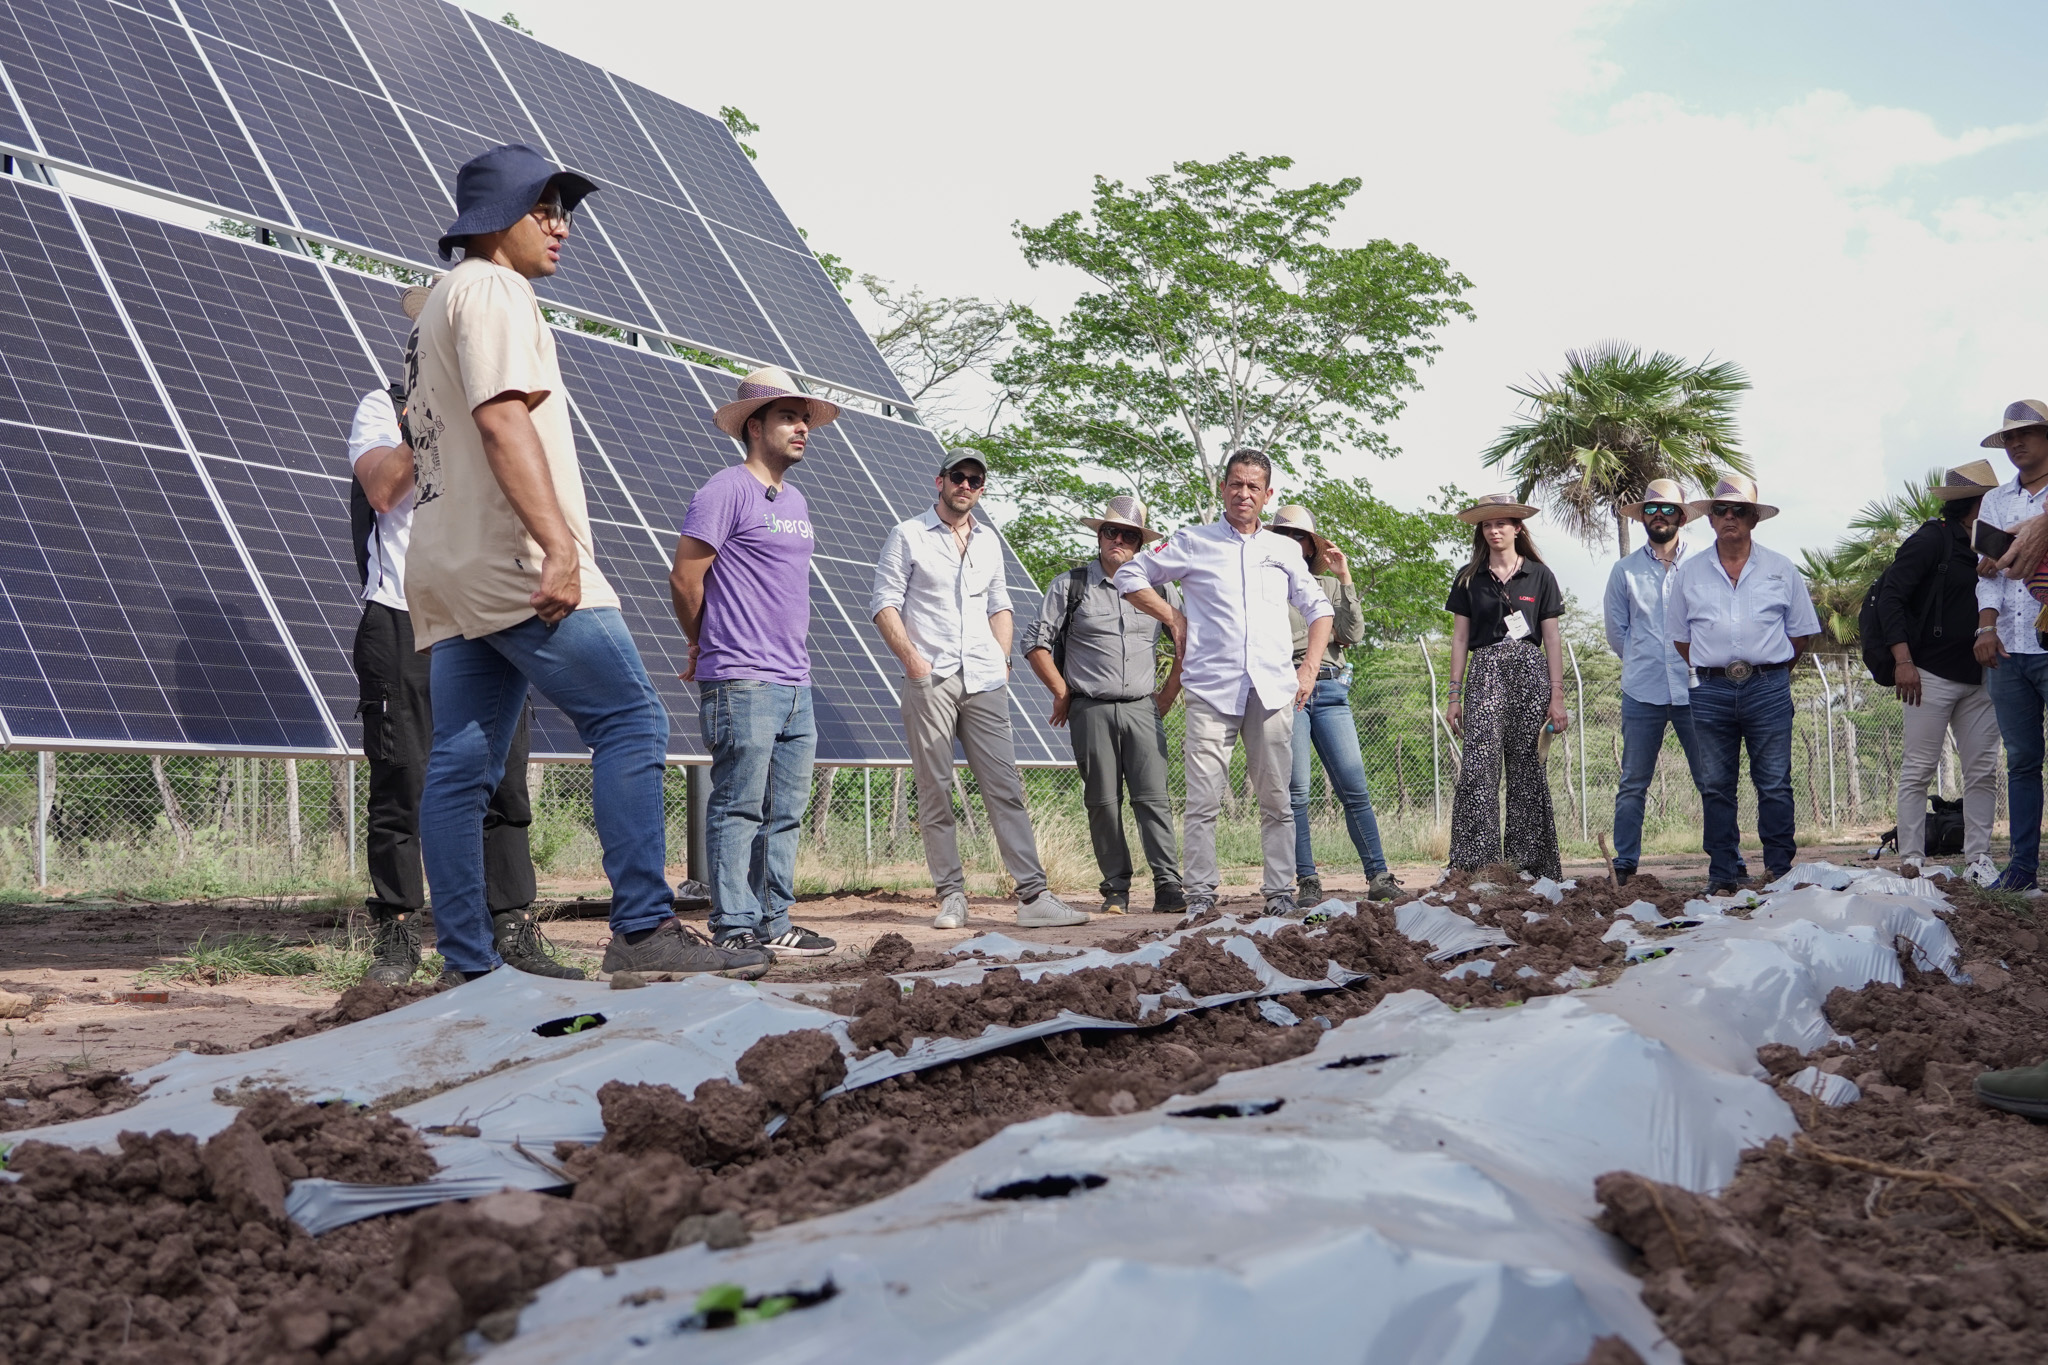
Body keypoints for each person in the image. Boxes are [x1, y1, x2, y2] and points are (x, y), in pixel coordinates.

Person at [409, 143, 769, 983]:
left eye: (565, 210)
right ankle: (642, 930)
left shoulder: (435, 305)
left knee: (462, 762)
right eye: (546, 208)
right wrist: (561, 544)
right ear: (498, 219)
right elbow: (503, 422)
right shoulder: (498, 289)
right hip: (513, 555)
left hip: (445, 563)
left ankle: (467, 961)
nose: (562, 226)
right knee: (631, 720)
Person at [347, 283, 565, 984]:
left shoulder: (501, 407)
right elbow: (383, 489)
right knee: (404, 776)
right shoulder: (384, 406)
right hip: (405, 612)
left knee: (503, 781)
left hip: (489, 612)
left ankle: (512, 928)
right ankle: (399, 930)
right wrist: (427, 425)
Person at [869, 450, 1089, 931]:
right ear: (940, 481)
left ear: (982, 489)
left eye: (975, 480)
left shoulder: (989, 540)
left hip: (985, 677)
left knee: (1005, 786)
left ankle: (1033, 896)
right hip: (933, 678)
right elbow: (884, 603)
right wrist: (914, 663)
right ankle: (951, 896)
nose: (966, 485)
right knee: (935, 790)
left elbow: (1000, 603)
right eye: (958, 477)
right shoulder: (907, 535)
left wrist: (1002, 658)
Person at [668, 367, 841, 958]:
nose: (802, 428)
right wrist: (705, 643)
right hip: (741, 678)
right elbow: (686, 578)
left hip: (796, 681)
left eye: (804, 419)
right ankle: (734, 925)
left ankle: (775, 920)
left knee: (786, 812)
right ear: (755, 426)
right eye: (789, 417)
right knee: (739, 806)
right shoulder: (724, 490)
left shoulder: (796, 498)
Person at [1118, 450, 1334, 918]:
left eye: (1254, 487)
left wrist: (1310, 668)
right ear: (1223, 487)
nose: (1244, 494)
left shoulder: (1283, 550)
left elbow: (1321, 609)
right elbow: (1130, 574)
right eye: (1236, 484)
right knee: (1203, 799)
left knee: (1277, 798)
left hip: (1273, 690)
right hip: (1212, 690)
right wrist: (1172, 614)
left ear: (1268, 494)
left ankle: (1279, 893)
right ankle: (1200, 898)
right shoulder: (1192, 542)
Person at [1021, 496, 1186, 915]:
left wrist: (1166, 695)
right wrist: (1061, 692)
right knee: (1102, 801)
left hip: (1142, 708)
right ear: (1099, 536)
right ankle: (1116, 889)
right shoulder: (1070, 585)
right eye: (1111, 532)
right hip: (1089, 707)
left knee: (1153, 799)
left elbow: (1188, 641)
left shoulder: (1161, 590)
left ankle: (1168, 886)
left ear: (1139, 545)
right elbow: (1034, 643)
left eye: (1129, 535)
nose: (1119, 540)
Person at [1667, 476, 1821, 894]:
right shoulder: (1690, 573)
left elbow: (1801, 634)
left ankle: (1779, 870)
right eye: (1720, 510)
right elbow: (1682, 638)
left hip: (1767, 687)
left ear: (1754, 518)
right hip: (1710, 690)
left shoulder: (1780, 568)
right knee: (1716, 785)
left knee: (1773, 781)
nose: (1729, 517)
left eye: (1738, 510)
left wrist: (1769, 673)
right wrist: (1715, 672)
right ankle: (1723, 873)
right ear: (1710, 519)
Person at [1268, 505, 1400, 905]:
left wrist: (1344, 576)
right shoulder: (1264, 588)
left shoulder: (1324, 585)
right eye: (1285, 535)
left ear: (1310, 545)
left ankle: (1378, 875)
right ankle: (1307, 880)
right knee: (1298, 792)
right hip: (1288, 690)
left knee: (1354, 787)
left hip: (1331, 690)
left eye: (1300, 537)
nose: (1293, 542)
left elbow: (1351, 633)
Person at [1882, 460, 2001, 884]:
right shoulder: (1932, 539)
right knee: (1917, 769)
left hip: (1983, 675)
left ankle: (1978, 860)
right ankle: (1913, 859)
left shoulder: (1993, 543)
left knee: (1983, 769)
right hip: (1927, 673)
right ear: (1978, 501)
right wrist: (1903, 661)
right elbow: (1890, 597)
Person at [1442, 494, 1567, 880]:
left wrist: (1557, 696)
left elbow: (1552, 639)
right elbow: (1460, 639)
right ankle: (1476, 866)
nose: (1494, 530)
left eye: (1502, 523)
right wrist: (1453, 695)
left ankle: (1529, 866)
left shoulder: (1540, 576)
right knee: (1479, 766)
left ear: (1517, 528)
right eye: (1487, 524)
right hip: (1485, 672)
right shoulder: (1468, 577)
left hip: (1530, 672)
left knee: (1528, 767)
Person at [1602, 479, 1713, 888]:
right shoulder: (1624, 571)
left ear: (1682, 517)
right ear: (1642, 518)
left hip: (1696, 689)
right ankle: (1626, 862)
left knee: (1710, 779)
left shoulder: (1704, 565)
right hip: (1642, 689)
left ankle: (1726, 858)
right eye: (1651, 510)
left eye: (1668, 510)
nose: (1659, 517)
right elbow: (1618, 633)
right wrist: (1642, 661)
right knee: (1633, 781)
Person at [1974, 401, 2048, 891]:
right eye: (2009, 439)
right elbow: (1988, 574)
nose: (2016, 444)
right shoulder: (1996, 501)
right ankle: (2022, 867)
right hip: (2011, 648)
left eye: (2027, 434)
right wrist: (1985, 629)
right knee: (2021, 761)